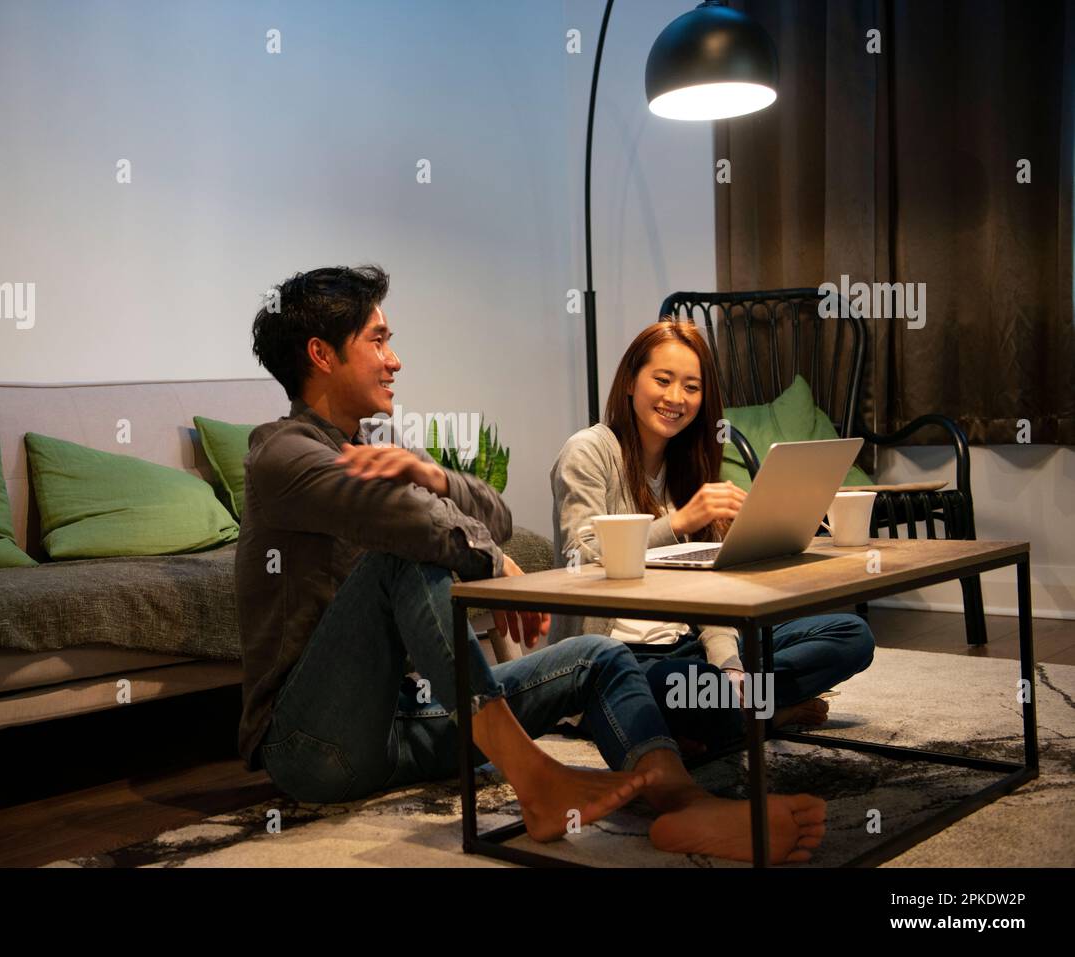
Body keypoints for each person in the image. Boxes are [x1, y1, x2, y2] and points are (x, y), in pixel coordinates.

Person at [235, 265, 828, 862]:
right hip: (312, 743)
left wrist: (434, 475)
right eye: (379, 340)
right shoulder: (282, 454)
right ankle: (536, 781)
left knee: (600, 656)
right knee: (404, 561)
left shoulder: (378, 449)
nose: (396, 361)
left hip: (410, 721)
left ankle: (685, 804)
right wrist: (494, 565)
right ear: (321, 353)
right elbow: (415, 528)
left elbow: (496, 518)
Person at [550, 319, 876, 751]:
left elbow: (708, 594)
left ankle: (735, 710)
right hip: (619, 659)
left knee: (850, 635)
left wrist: (731, 666)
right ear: (630, 381)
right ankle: (762, 713)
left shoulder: (689, 464)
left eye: (691, 387)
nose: (675, 398)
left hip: (691, 645)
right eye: (662, 380)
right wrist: (681, 522)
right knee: (687, 687)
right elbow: (582, 553)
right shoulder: (588, 451)